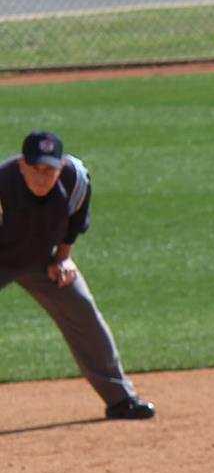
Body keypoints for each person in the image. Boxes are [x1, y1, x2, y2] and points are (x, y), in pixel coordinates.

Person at [1, 130, 152, 420]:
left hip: (42, 259)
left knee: (83, 312)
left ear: (60, 166)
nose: (42, 177)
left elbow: (74, 221)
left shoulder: (76, 179)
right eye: (36, 169)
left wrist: (63, 258)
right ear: (22, 165)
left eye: (50, 169)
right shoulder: (2, 185)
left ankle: (121, 399)